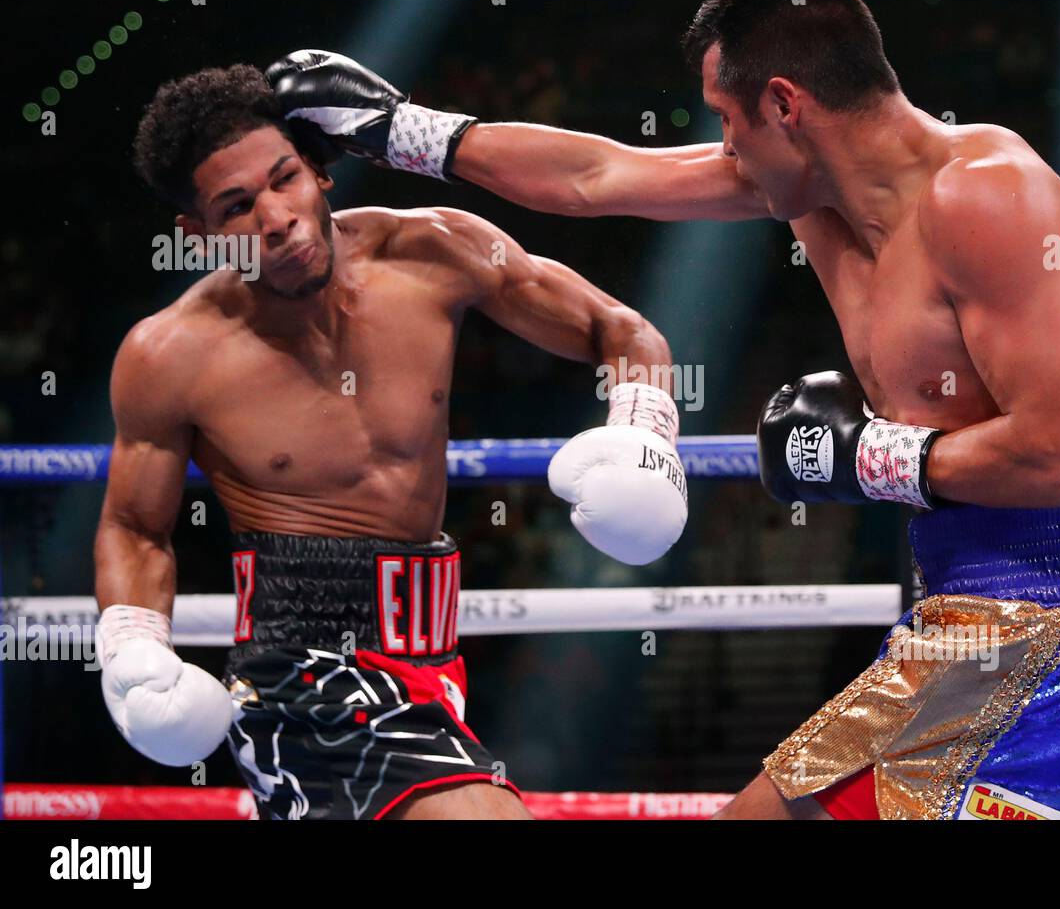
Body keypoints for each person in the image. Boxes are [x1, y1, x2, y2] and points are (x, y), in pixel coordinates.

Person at [272, 0, 1060, 819]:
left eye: (728, 118)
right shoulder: (809, 190)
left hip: (1054, 633)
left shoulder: (990, 197)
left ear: (785, 104)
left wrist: (869, 456)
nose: (726, 146)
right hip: (974, 624)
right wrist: (402, 130)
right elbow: (597, 176)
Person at [92, 62, 688, 820]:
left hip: (433, 658)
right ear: (199, 234)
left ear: (320, 172)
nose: (275, 218)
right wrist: (132, 652)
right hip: (304, 671)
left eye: (285, 180)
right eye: (237, 206)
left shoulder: (434, 252)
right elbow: (135, 527)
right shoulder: (169, 354)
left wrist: (645, 433)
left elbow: (621, 329)